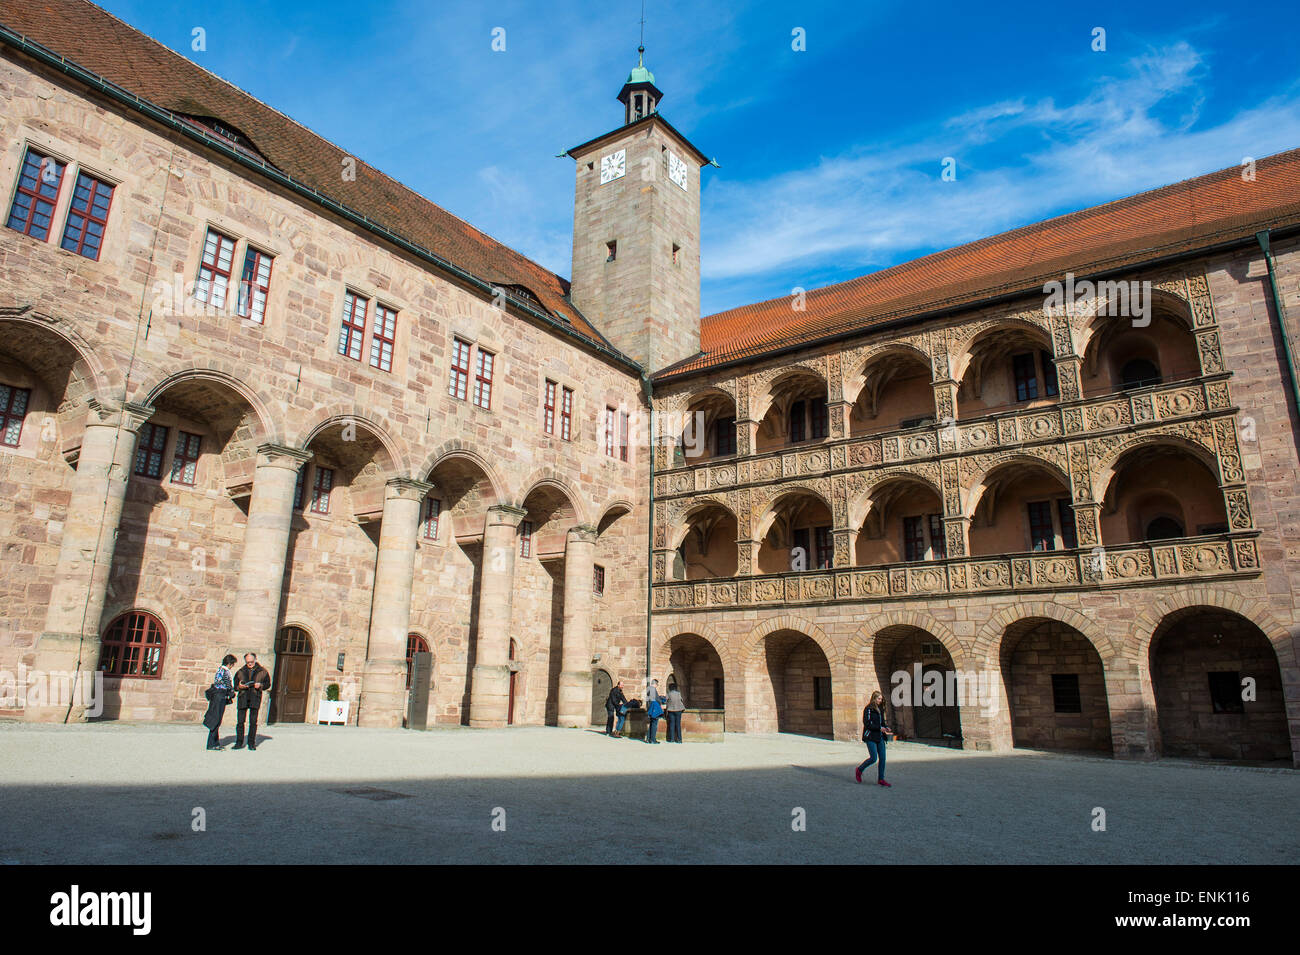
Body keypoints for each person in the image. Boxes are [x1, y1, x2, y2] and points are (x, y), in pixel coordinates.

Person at [233, 652, 272, 751]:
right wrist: (240, 687)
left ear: (255, 660)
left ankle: (251, 743)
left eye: (251, 662)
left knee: (253, 722)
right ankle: (239, 742)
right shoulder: (240, 671)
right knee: (240, 722)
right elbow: (235, 686)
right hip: (243, 697)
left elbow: (268, 684)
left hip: (255, 697)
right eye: (248, 662)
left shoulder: (263, 671)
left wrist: (260, 685)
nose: (249, 664)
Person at [856, 690, 892, 786]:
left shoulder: (880, 709)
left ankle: (881, 779)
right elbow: (867, 723)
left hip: (880, 736)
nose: (880, 700)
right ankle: (859, 769)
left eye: (881, 699)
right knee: (873, 758)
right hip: (870, 736)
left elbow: (882, 722)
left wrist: (886, 727)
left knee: (883, 758)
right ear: (874, 698)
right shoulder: (868, 709)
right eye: (879, 699)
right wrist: (880, 728)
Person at [202, 654, 237, 750]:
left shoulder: (220, 670)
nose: (232, 666)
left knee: (216, 719)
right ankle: (211, 744)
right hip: (220, 696)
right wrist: (232, 692)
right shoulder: (225, 671)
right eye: (232, 664)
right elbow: (227, 684)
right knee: (216, 719)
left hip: (218, 695)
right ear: (229, 663)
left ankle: (215, 743)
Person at [644, 679, 663, 744]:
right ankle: (652, 739)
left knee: (652, 724)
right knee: (654, 724)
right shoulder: (652, 689)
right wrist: (661, 701)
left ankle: (649, 739)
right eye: (657, 685)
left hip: (651, 709)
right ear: (655, 684)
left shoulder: (649, 689)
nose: (657, 686)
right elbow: (656, 699)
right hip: (654, 709)